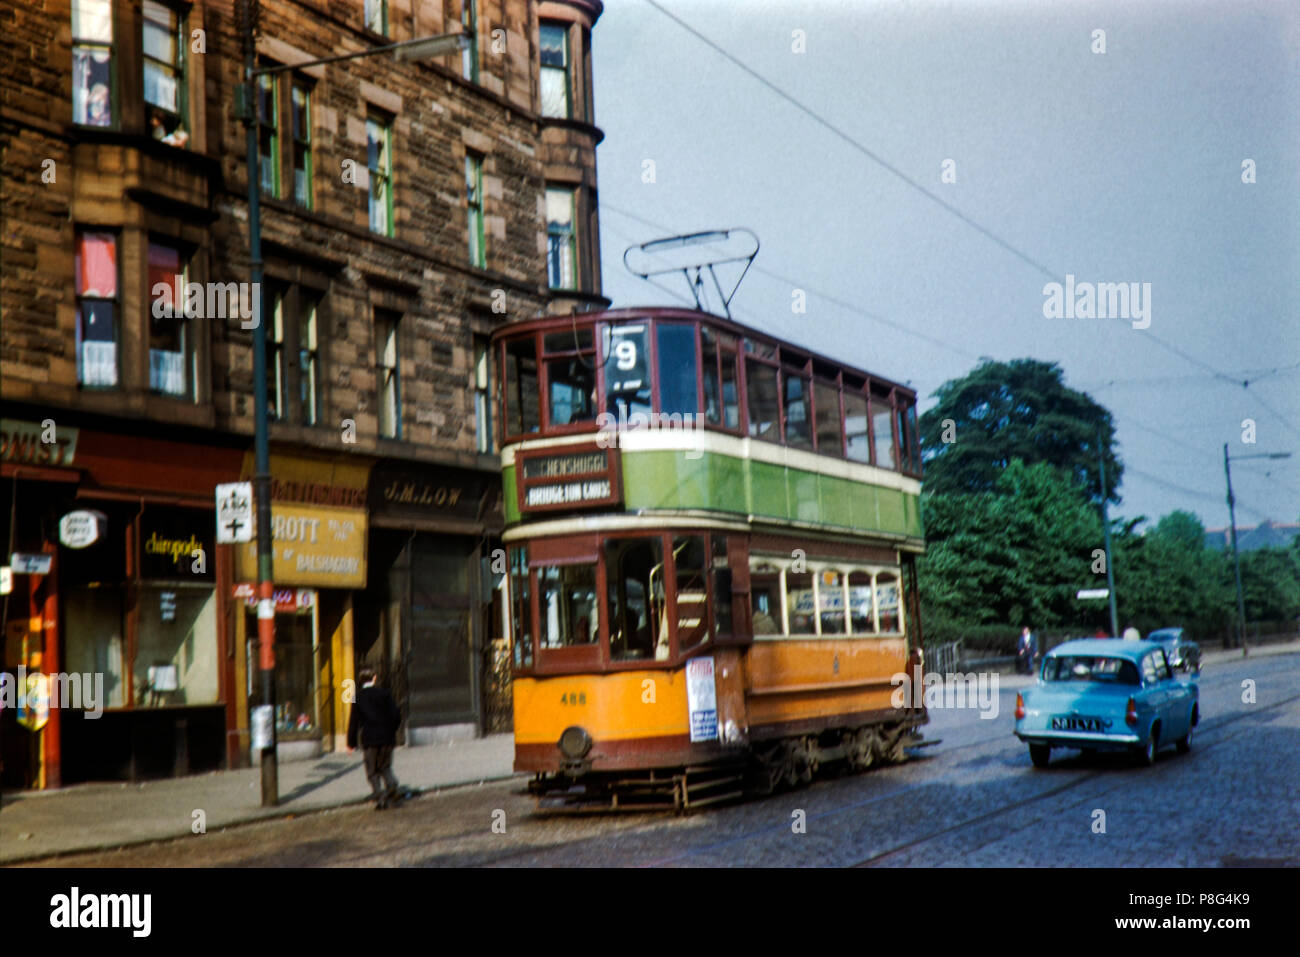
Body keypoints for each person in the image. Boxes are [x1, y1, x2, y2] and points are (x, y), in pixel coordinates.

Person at [347, 666, 403, 810]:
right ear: (374, 678)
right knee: (385, 767)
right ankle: (392, 785)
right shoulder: (385, 694)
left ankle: (380, 795)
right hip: (387, 737)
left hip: (370, 739)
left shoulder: (357, 698)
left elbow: (354, 722)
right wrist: (392, 730)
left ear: (360, 681)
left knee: (372, 771)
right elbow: (396, 715)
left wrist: (350, 743)